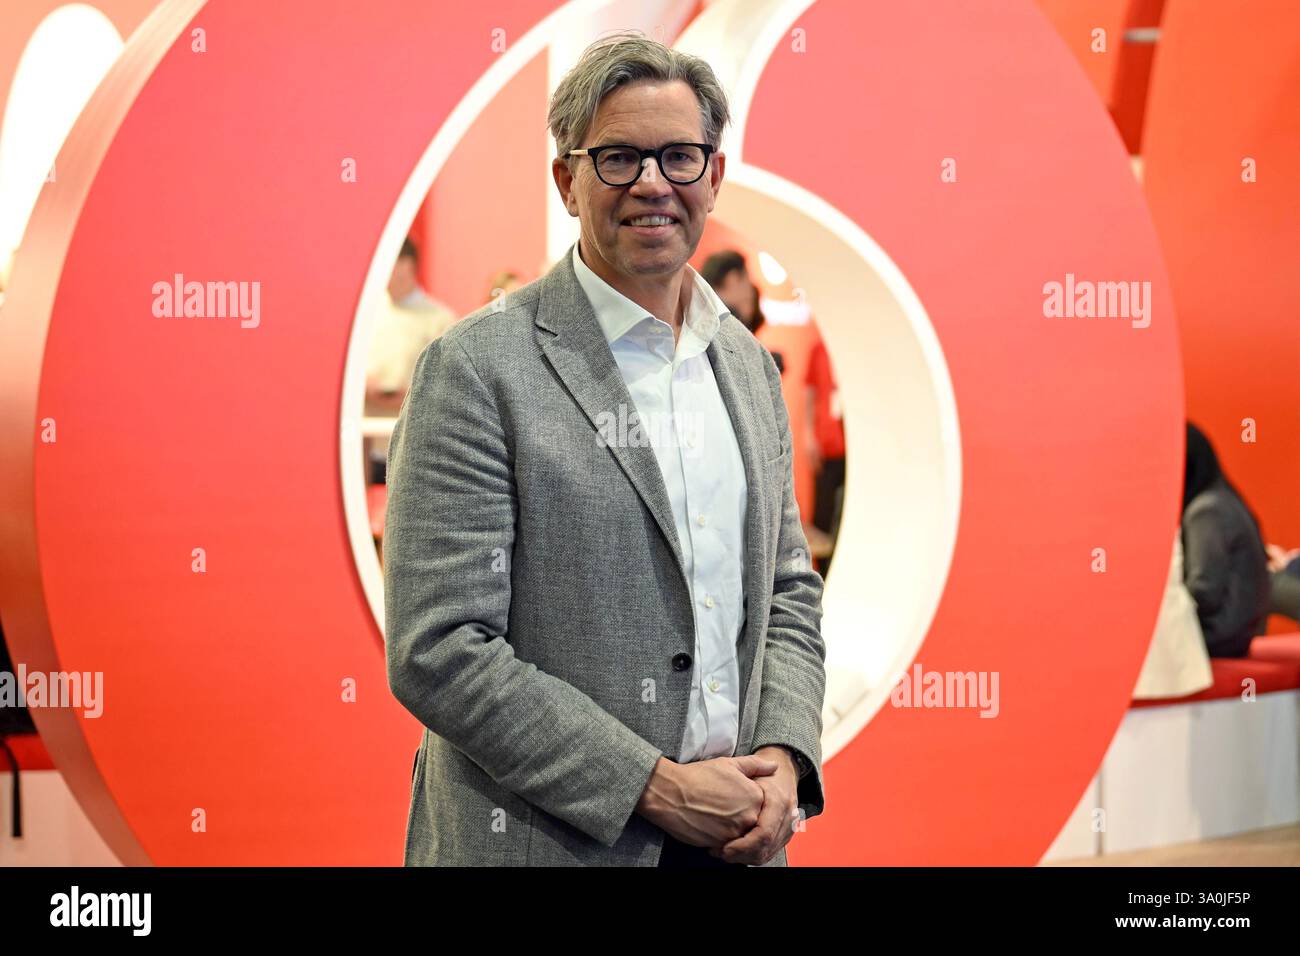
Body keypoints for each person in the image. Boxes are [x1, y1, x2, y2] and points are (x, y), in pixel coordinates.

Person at [384, 31, 826, 867]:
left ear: (714, 175)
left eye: (680, 158)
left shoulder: (745, 367)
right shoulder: (477, 369)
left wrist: (787, 755)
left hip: (738, 844)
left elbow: (788, 589)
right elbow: (439, 649)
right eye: (618, 158)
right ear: (567, 179)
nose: (653, 184)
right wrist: (655, 786)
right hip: (551, 844)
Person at [1181, 422, 1272, 657]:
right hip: (1237, 634)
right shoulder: (1222, 498)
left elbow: (1205, 591)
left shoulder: (1205, 511)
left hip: (1218, 637)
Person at [804, 327, 845, 571]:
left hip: (852, 450)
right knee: (823, 514)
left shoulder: (856, 352)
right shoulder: (819, 350)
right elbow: (809, 392)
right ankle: (825, 571)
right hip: (826, 444)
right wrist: (809, 435)